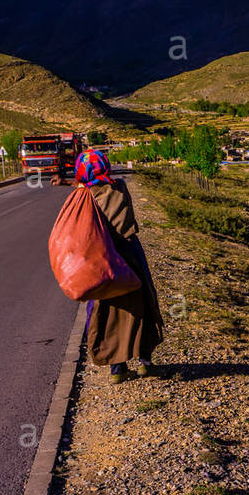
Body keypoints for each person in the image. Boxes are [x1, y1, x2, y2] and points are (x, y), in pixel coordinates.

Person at [73, 149, 164, 383]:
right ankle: (145, 361)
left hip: (102, 260)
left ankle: (117, 369)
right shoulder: (120, 186)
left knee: (106, 310)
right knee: (142, 303)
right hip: (129, 252)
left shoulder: (83, 196)